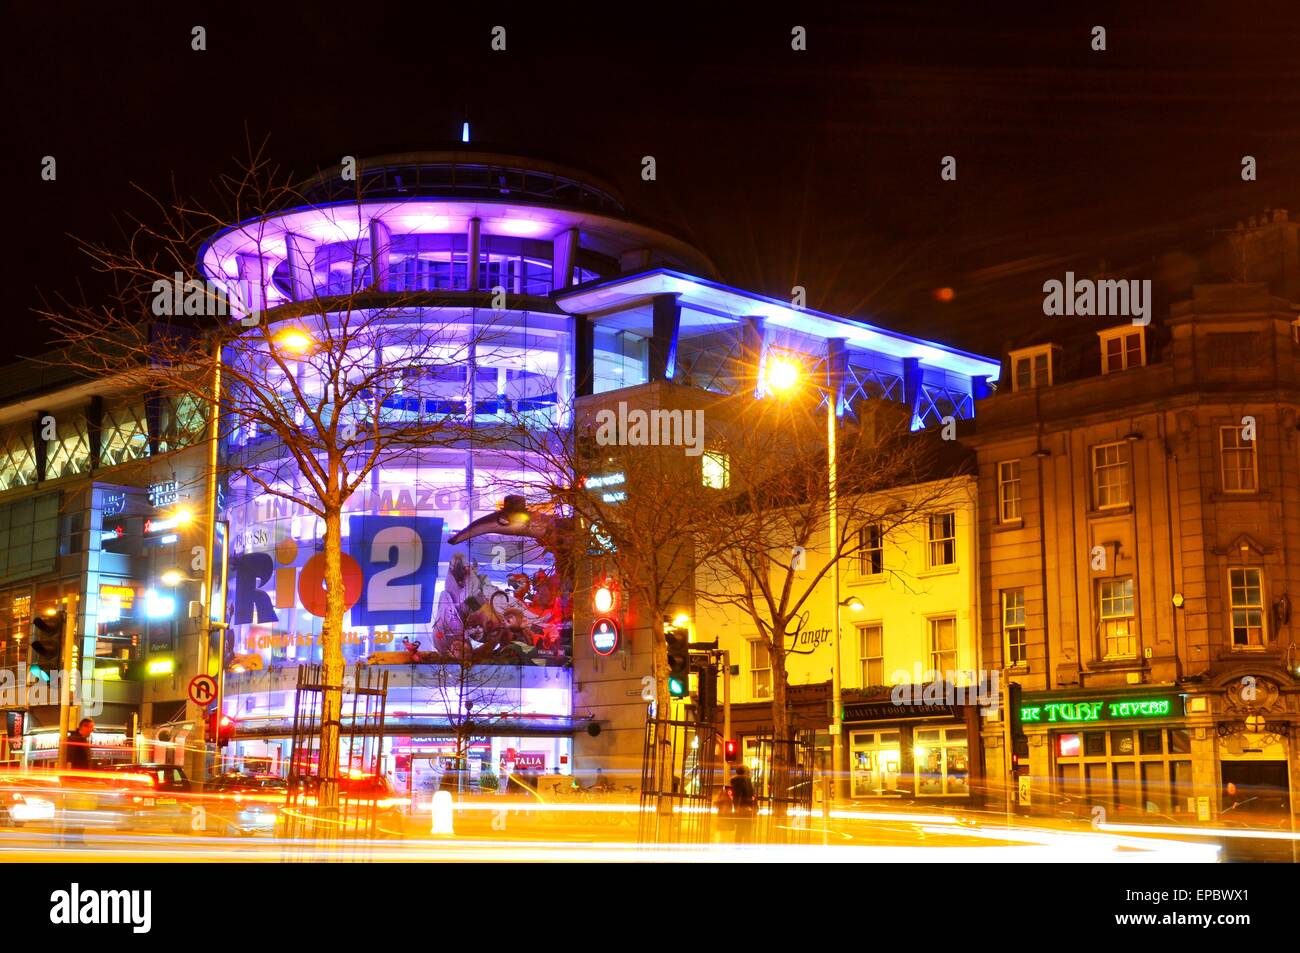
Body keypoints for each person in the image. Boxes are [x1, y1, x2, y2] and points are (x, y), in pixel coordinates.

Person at [730, 765, 756, 843]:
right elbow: (750, 796)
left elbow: (736, 796)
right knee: (747, 831)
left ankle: (738, 847)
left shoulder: (735, 782)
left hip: (740, 809)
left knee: (739, 831)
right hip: (746, 809)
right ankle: (746, 847)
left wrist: (736, 808)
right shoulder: (746, 781)